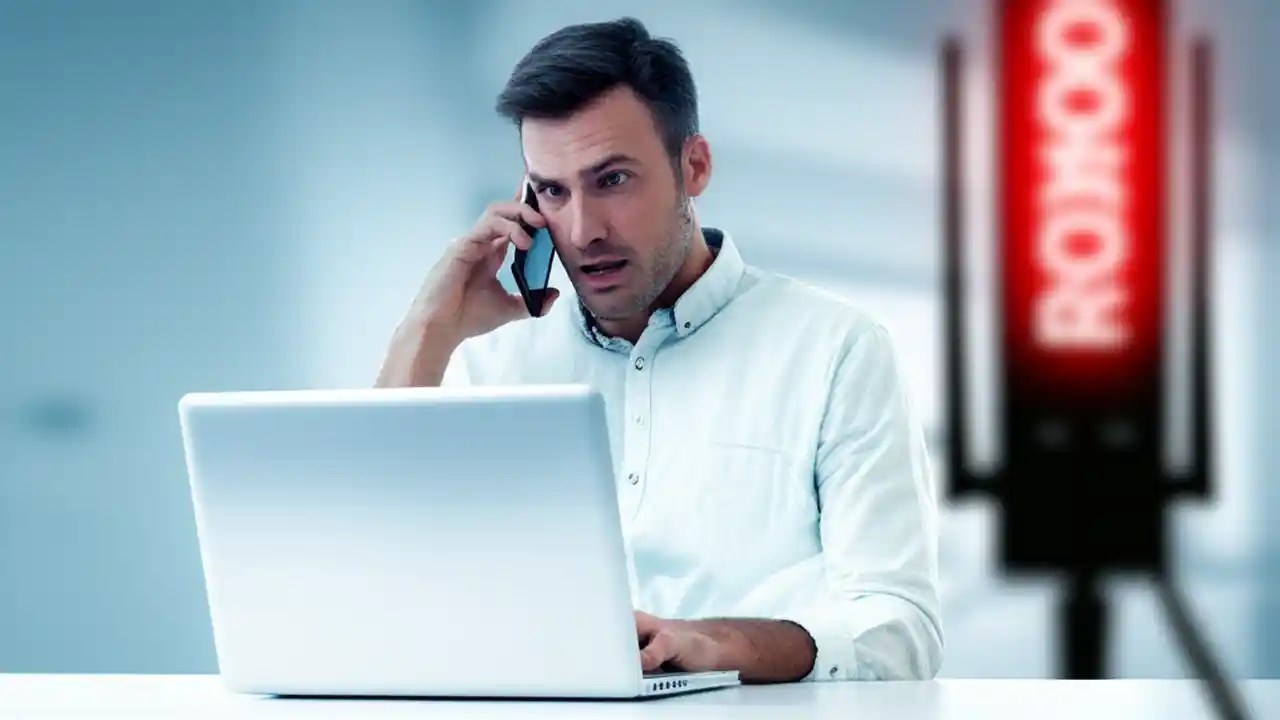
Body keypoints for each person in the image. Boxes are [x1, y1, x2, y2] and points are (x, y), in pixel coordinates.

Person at [377, 17, 942, 683]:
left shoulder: (835, 350)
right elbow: (382, 580)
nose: (584, 231)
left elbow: (900, 630)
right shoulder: (493, 364)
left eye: (612, 180)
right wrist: (427, 331)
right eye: (553, 191)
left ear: (694, 166)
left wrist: (710, 645)